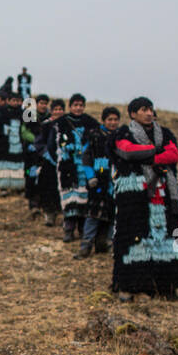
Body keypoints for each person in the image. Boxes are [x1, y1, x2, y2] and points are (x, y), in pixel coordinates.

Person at [109, 96, 178, 299]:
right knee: (134, 240)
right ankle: (130, 286)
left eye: (150, 109)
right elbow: (126, 151)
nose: (149, 113)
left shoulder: (166, 133)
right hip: (134, 197)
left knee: (169, 240)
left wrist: (149, 157)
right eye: (143, 109)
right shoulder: (123, 133)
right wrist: (157, 153)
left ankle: (166, 286)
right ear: (133, 113)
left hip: (165, 196)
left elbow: (174, 155)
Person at [74, 106, 119, 258]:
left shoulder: (121, 137)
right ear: (103, 120)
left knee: (114, 214)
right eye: (110, 119)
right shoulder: (94, 136)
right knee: (93, 214)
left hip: (116, 182)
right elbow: (85, 158)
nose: (113, 123)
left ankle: (109, 243)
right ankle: (85, 245)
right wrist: (90, 176)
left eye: (115, 120)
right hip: (97, 181)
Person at [55, 94, 100, 243]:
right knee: (69, 196)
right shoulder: (61, 122)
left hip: (86, 165)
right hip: (68, 166)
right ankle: (68, 229)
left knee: (84, 197)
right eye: (75, 105)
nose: (78, 108)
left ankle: (82, 229)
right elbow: (54, 143)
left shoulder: (91, 122)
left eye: (81, 105)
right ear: (70, 106)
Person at [0, 90, 33, 193]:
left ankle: (17, 187)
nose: (16, 103)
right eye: (14, 100)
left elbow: (31, 126)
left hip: (19, 144)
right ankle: (3, 187)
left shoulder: (24, 113)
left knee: (18, 166)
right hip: (3, 144)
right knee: (3, 166)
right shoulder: (1, 111)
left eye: (18, 101)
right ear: (8, 101)